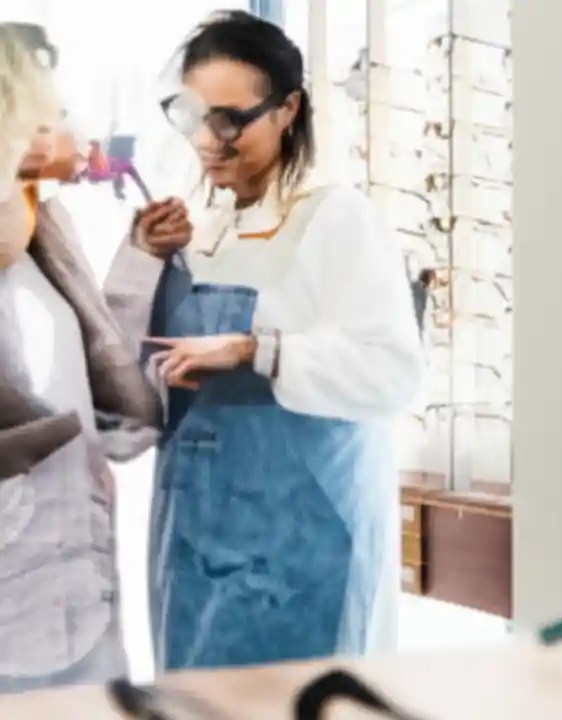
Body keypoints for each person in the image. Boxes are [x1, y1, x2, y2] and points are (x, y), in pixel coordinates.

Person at [104, 10, 422, 671]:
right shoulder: (195, 232)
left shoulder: (336, 219)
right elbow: (120, 396)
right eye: (193, 117)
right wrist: (138, 255)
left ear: (288, 109)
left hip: (305, 555)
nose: (209, 139)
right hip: (194, 551)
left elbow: (393, 372)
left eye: (231, 119)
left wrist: (258, 350)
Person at [0, 23, 160, 692]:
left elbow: (99, 375)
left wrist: (143, 258)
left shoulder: (44, 232)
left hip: (80, 586)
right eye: (52, 113)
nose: (71, 130)